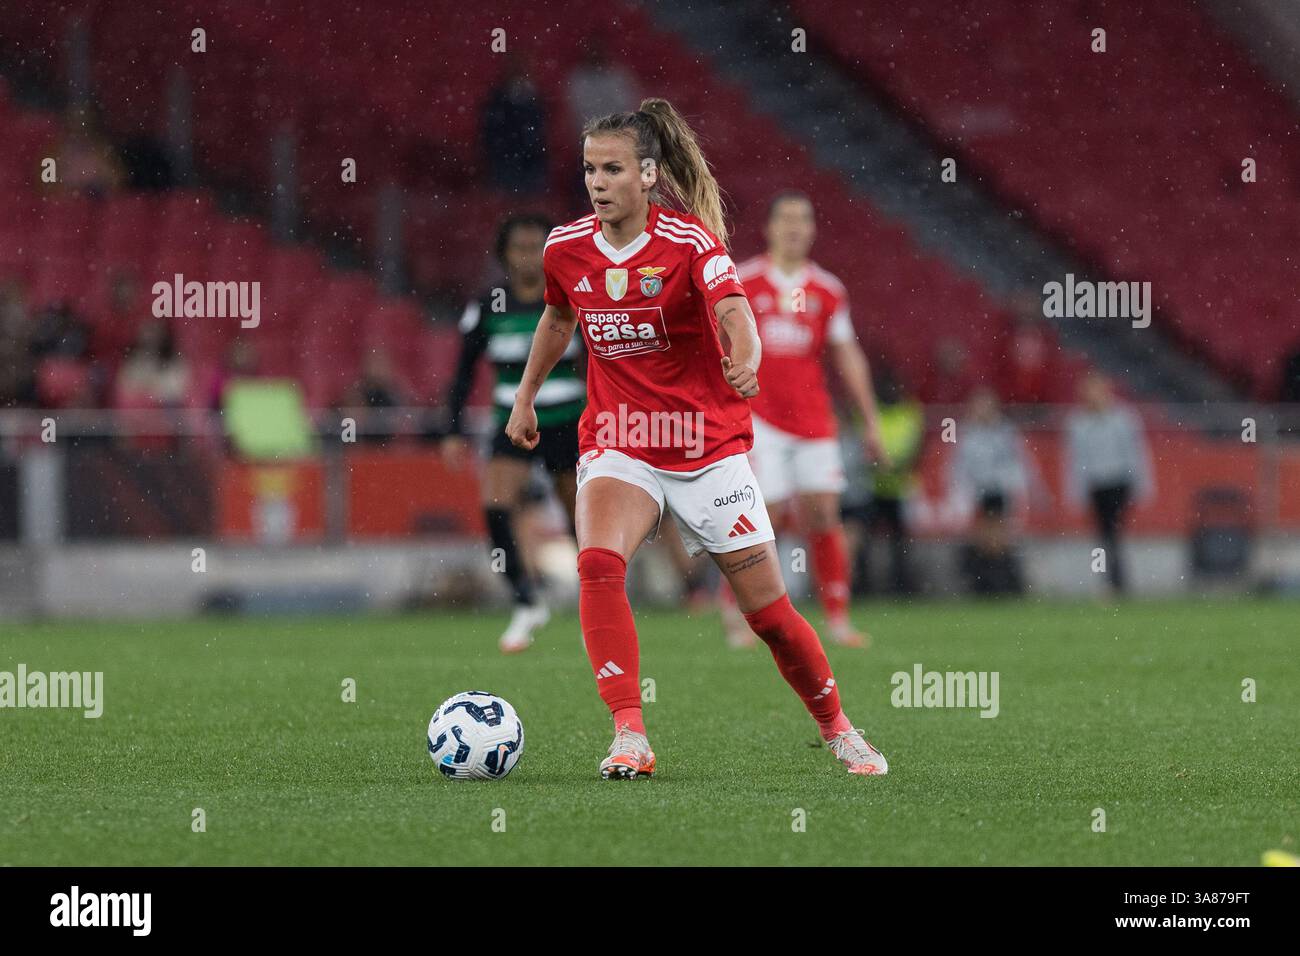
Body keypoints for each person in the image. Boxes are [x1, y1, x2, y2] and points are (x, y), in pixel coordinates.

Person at [505, 97, 888, 779]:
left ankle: (839, 728)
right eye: (590, 168)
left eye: (612, 168)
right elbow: (559, 320)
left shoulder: (689, 243)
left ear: (648, 174)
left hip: (706, 449)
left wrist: (748, 359)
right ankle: (629, 734)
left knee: (768, 614)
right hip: (620, 440)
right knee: (598, 563)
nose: (597, 181)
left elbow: (736, 312)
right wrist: (526, 396)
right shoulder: (566, 247)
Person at [719, 191, 889, 649]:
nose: (794, 227)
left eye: (803, 220)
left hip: (814, 420)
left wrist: (870, 420)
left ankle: (837, 616)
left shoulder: (828, 290)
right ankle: (735, 608)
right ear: (770, 228)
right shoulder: (743, 281)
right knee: (761, 516)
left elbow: (847, 355)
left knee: (823, 512)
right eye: (786, 219)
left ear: (813, 230)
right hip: (760, 419)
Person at [443, 213, 583, 652]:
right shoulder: (489, 304)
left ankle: (595, 604)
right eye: (518, 248)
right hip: (512, 420)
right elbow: (463, 371)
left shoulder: (571, 300)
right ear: (504, 255)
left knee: (581, 515)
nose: (527, 258)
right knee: (495, 505)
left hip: (569, 421)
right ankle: (526, 600)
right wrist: (452, 429)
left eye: (535, 248)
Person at [948, 388, 1044, 595]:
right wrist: (958, 492)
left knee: (999, 535)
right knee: (983, 536)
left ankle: (1003, 582)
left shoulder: (1005, 433)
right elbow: (959, 467)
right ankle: (986, 583)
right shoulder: (967, 435)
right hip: (978, 491)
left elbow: (1021, 462)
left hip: (999, 489)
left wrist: (1032, 490)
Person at [1064, 373, 1154, 595]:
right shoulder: (1078, 423)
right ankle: (1112, 581)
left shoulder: (1124, 418)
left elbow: (1136, 454)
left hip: (1119, 482)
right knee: (1105, 536)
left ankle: (1114, 582)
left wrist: (1141, 484)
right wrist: (1077, 491)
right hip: (1097, 485)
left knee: (1111, 534)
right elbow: (1076, 461)